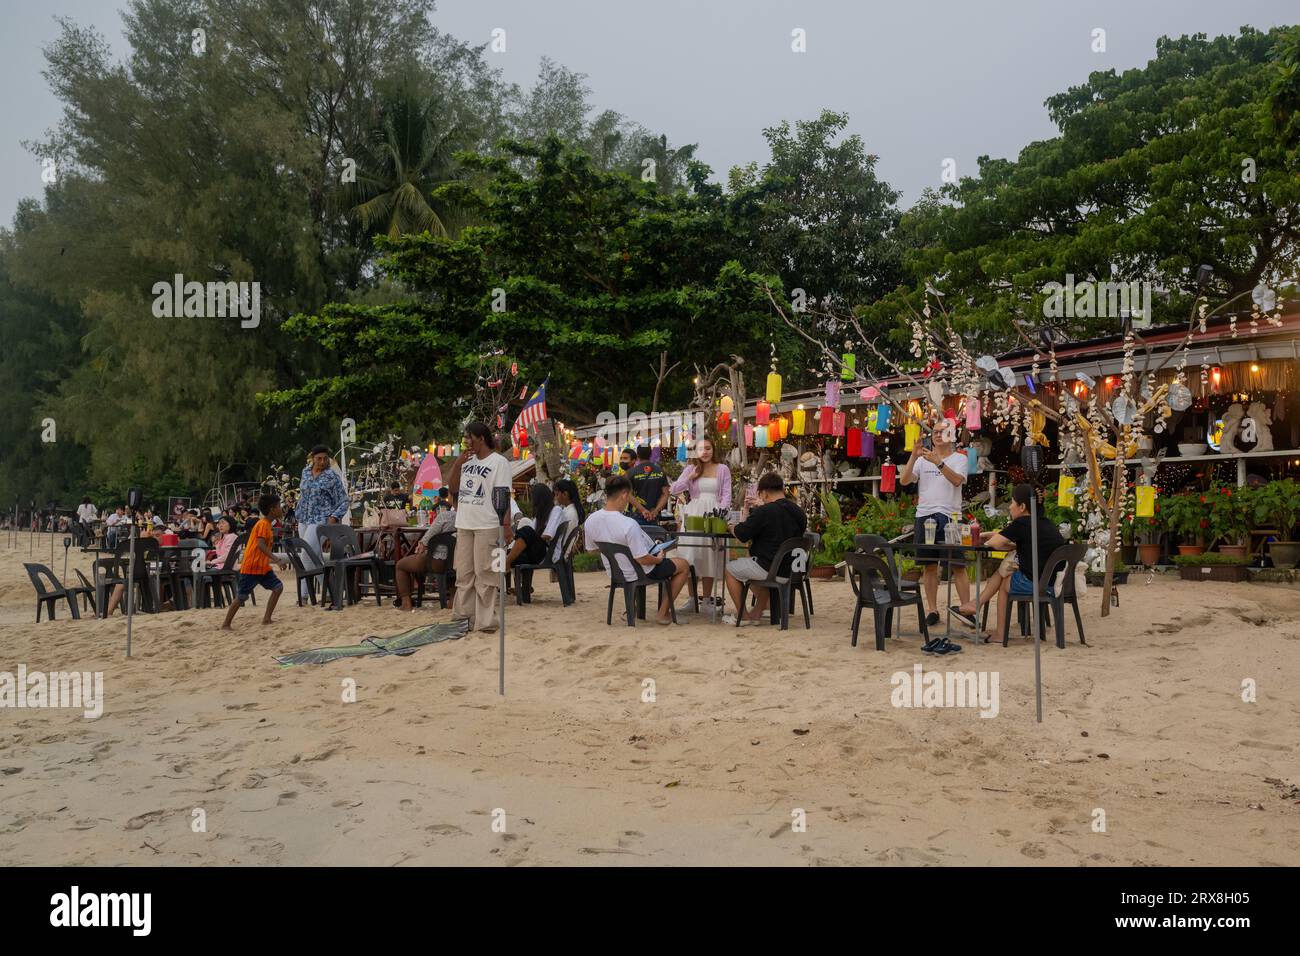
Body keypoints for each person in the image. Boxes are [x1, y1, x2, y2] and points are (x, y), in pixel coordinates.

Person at [957, 483, 1066, 642]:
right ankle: (976, 604)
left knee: (1005, 583)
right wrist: (994, 535)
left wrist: (989, 535)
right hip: (1053, 582)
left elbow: (995, 544)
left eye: (1012, 503)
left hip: (1037, 584)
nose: (1009, 507)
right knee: (1006, 572)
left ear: (1022, 507)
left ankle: (999, 632)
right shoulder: (1045, 523)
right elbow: (1022, 543)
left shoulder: (1021, 523)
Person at [899, 418, 972, 642]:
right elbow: (903, 481)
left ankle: (967, 610)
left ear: (952, 435)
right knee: (929, 566)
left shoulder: (959, 458)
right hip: (925, 515)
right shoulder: (922, 460)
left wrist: (938, 462)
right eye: (935, 432)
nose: (937, 435)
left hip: (951, 516)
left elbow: (957, 480)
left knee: (958, 565)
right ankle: (932, 610)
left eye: (942, 432)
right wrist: (914, 455)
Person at [584, 475, 690, 625]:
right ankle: (663, 612)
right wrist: (658, 559)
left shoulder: (590, 520)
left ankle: (631, 608)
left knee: (640, 558)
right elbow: (642, 559)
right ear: (625, 495)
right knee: (684, 565)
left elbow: (591, 550)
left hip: (615, 572)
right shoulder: (628, 524)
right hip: (641, 571)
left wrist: (614, 553)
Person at [447, 422, 513, 632]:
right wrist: (457, 464)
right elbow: (453, 488)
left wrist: (507, 525)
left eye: (469, 437)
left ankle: (486, 622)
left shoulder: (499, 462)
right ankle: (463, 618)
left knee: (486, 574)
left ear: (481, 438)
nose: (466, 442)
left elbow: (503, 495)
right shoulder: (466, 461)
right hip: (464, 523)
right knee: (464, 573)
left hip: (488, 524)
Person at [722, 472, 807, 626]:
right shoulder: (799, 512)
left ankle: (744, 616)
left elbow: (742, 534)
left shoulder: (765, 512)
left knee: (730, 570)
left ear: (764, 493)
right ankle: (757, 612)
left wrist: (730, 526)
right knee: (752, 569)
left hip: (770, 568)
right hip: (792, 570)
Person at [670, 437, 732, 608]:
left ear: (713, 450)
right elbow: (674, 490)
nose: (705, 452)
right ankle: (692, 599)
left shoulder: (722, 469)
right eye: (701, 449)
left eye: (708, 448)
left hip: (714, 513)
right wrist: (690, 477)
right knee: (690, 555)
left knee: (709, 555)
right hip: (694, 513)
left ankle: (706, 599)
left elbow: (727, 495)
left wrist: (722, 515)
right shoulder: (691, 468)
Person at [221, 494, 289, 630]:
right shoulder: (263, 524)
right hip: (252, 567)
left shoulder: (267, 524)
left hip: (262, 567)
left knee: (278, 588)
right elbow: (261, 545)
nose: (281, 509)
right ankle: (226, 624)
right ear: (272, 510)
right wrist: (277, 560)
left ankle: (267, 619)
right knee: (241, 597)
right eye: (279, 506)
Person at [296, 444, 350, 601]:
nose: (322, 461)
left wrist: (334, 516)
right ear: (312, 459)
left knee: (307, 554)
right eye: (319, 458)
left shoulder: (332, 477)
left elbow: (344, 501)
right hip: (303, 519)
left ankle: (329, 590)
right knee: (311, 556)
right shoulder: (305, 472)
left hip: (321, 520)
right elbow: (303, 495)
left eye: (325, 459)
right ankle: (305, 595)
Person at [393, 498, 457, 611]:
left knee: (400, 565)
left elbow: (426, 540)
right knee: (452, 566)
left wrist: (420, 548)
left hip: (437, 561)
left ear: (452, 498)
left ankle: (406, 602)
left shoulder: (445, 516)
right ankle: (453, 600)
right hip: (459, 561)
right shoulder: (472, 518)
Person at [506, 483, 555, 570]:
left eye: (533, 498)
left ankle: (507, 562)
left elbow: (548, 535)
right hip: (534, 552)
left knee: (526, 528)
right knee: (510, 555)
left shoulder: (555, 510)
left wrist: (532, 538)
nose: (532, 501)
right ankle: (507, 558)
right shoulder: (539, 516)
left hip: (544, 551)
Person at [626, 446, 669, 527]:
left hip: (636, 515)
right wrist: (656, 510)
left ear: (637, 456)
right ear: (651, 454)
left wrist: (643, 510)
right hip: (654, 516)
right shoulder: (660, 471)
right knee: (652, 538)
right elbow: (665, 494)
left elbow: (628, 494)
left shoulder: (631, 472)